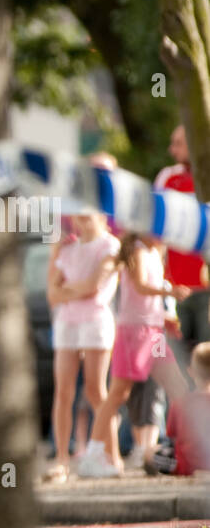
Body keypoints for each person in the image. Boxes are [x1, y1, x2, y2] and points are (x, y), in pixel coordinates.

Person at [77, 230, 190, 478]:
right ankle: (93, 453)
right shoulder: (138, 249)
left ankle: (188, 446)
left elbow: (148, 299)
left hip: (154, 331)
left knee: (177, 386)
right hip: (134, 333)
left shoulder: (154, 251)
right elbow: (140, 285)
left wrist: (165, 316)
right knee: (119, 392)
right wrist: (170, 293)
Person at [44, 211, 120, 480]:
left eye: (86, 216)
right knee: (63, 392)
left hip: (96, 322)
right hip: (68, 323)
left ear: (101, 216)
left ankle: (112, 456)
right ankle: (62, 460)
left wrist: (69, 290)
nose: (80, 221)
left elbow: (93, 286)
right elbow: (52, 292)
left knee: (96, 390)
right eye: (77, 216)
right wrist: (57, 258)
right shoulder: (68, 249)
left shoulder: (110, 245)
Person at [154, 125, 210, 363]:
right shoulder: (168, 177)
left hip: (206, 288)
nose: (171, 149)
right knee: (177, 359)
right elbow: (155, 231)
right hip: (177, 287)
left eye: (178, 143)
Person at [147, 341, 210, 475]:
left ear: (191, 372)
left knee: (149, 453)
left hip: (185, 465)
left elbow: (172, 436)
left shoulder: (181, 402)